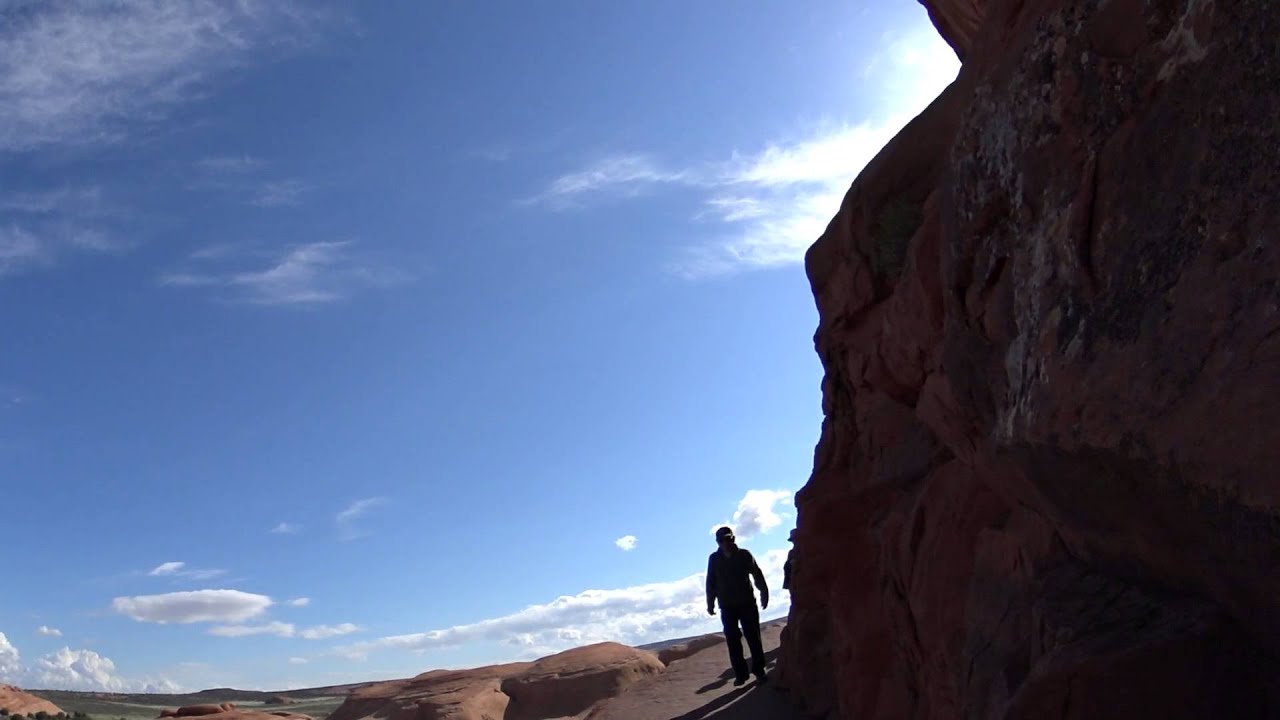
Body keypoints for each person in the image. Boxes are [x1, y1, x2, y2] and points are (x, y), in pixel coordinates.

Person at [705, 526, 769, 686]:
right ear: (717, 542)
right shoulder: (714, 559)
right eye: (722, 540)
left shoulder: (743, 555)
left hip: (747, 602)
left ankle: (759, 670)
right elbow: (710, 581)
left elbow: (756, 573)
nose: (726, 543)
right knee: (733, 641)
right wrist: (710, 602)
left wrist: (764, 592)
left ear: (733, 539)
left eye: (729, 539)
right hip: (727, 606)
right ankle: (741, 674)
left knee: (753, 637)